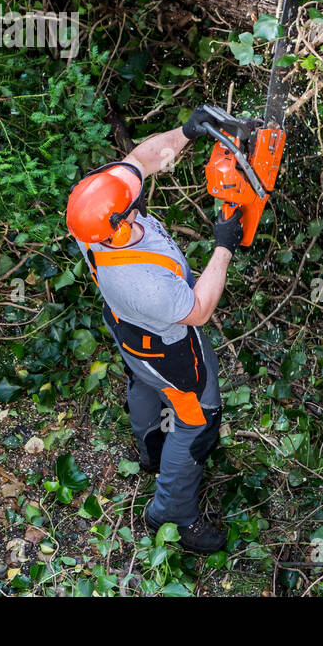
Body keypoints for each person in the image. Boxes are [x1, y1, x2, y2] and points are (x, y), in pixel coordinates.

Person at [64, 107, 237, 553]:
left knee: (141, 381)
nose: (135, 193)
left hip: (127, 333)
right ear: (121, 222)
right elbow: (198, 310)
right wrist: (223, 246)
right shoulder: (145, 284)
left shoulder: (93, 211)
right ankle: (172, 514)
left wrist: (187, 131)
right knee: (199, 421)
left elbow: (140, 161)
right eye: (130, 202)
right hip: (169, 351)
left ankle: (152, 452)